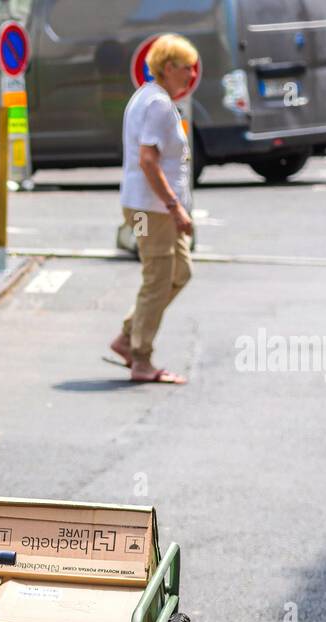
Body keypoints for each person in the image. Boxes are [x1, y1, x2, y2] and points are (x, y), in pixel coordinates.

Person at [111, 33, 199, 385]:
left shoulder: (148, 97)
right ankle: (141, 358)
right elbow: (149, 160)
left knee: (179, 273)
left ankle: (128, 336)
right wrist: (175, 207)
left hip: (147, 208)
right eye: (186, 69)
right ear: (167, 67)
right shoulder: (158, 105)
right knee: (158, 278)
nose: (191, 76)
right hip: (151, 212)